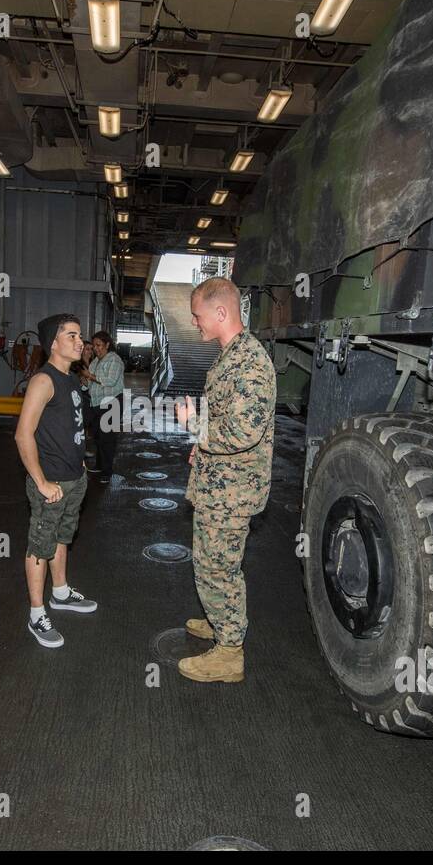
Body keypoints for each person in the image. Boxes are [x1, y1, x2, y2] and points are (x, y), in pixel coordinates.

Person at [174, 278, 276, 684]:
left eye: (198, 315)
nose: (195, 322)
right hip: (219, 484)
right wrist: (203, 447)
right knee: (210, 563)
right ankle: (221, 619)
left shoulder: (249, 362)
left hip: (233, 492)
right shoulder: (228, 357)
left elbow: (242, 431)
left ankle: (230, 652)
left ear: (221, 313)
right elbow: (227, 425)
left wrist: (194, 426)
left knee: (220, 569)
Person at [14, 313, 98, 648]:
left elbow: (72, 426)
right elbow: (23, 435)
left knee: (63, 536)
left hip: (74, 478)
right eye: (73, 336)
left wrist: (79, 464)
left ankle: (60, 592)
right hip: (50, 482)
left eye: (81, 336)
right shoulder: (43, 381)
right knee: (40, 545)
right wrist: (41, 481)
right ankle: (37, 613)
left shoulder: (72, 378)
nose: (81, 342)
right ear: (53, 342)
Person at [87, 330, 125, 484]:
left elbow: (110, 380)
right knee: (97, 436)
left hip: (112, 403)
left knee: (107, 439)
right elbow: (90, 383)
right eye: (94, 345)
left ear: (107, 345)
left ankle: (107, 471)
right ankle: (99, 465)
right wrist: (85, 383)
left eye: (99, 345)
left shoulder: (114, 360)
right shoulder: (95, 362)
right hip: (97, 403)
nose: (96, 348)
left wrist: (89, 376)